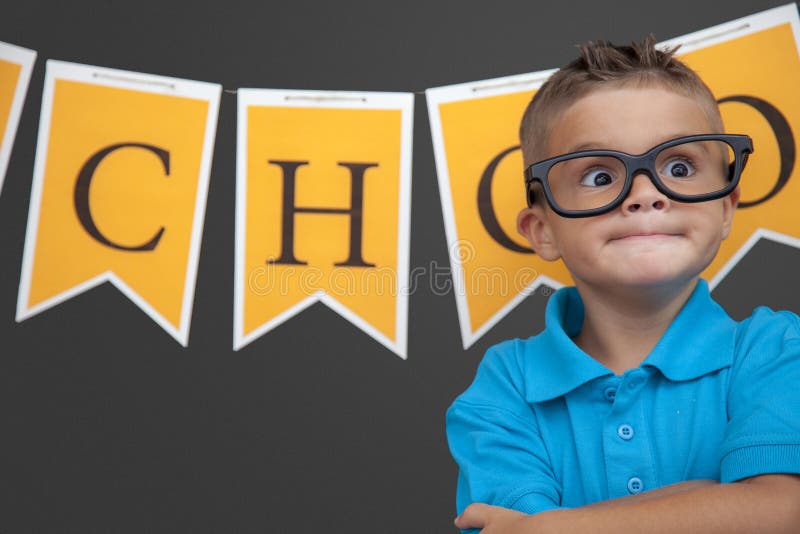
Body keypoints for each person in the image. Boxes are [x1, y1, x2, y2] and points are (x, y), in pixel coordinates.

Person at [447, 37, 800, 534]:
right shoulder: (505, 390)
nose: (645, 194)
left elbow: (783, 512)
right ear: (542, 230)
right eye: (598, 176)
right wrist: (719, 498)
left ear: (725, 208)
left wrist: (554, 527)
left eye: (679, 168)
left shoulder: (776, 350)